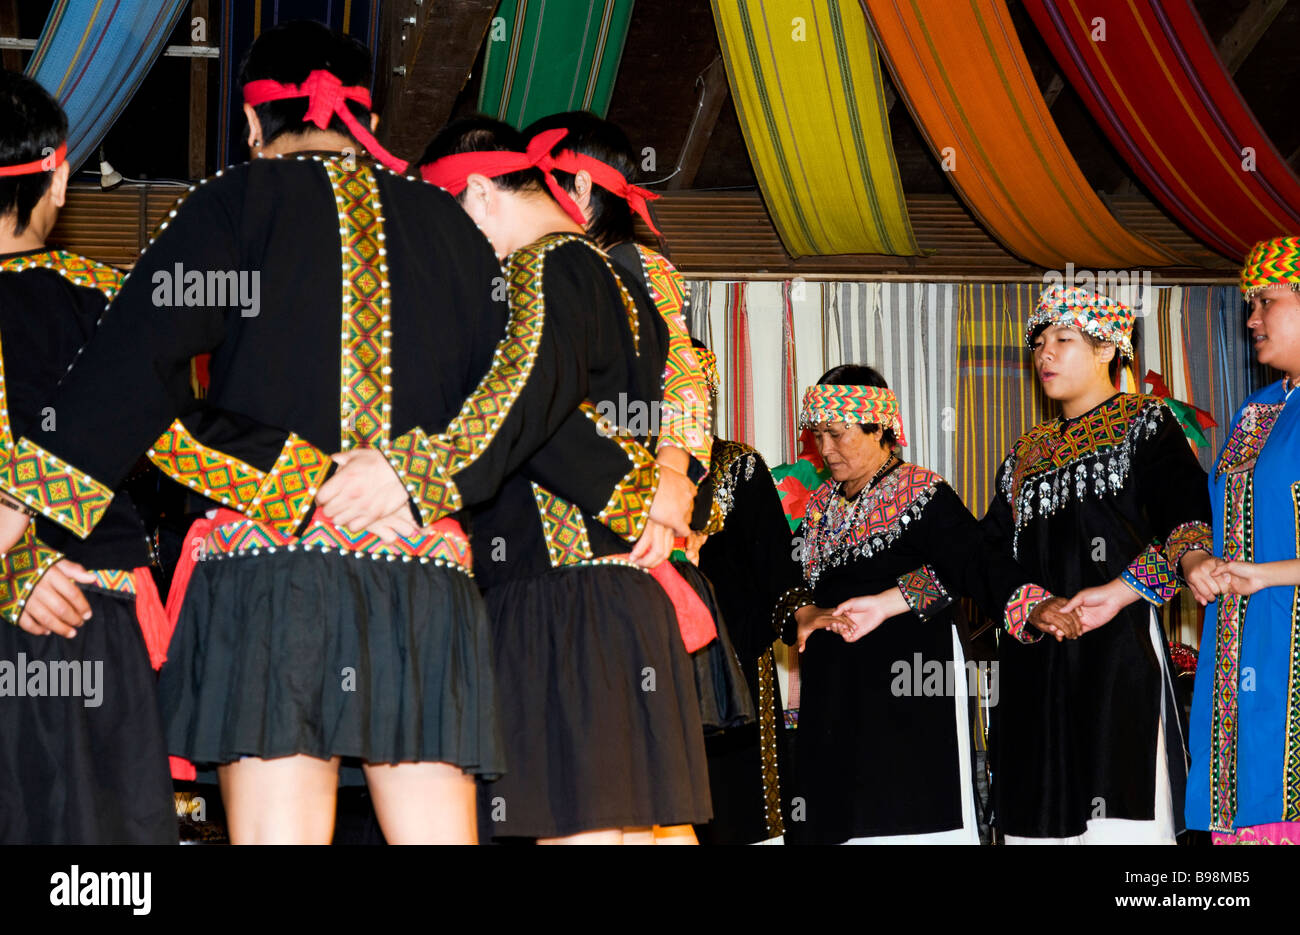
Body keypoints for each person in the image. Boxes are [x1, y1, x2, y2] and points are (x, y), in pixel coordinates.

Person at [0, 22, 624, 844]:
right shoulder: (455, 231)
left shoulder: (233, 202)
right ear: (368, 121)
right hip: (419, 578)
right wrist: (628, 494)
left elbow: (137, 366)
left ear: (251, 124)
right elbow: (522, 398)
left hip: (273, 578)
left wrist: (26, 505)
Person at [418, 117, 709, 844]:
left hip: (561, 594)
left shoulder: (537, 269)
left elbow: (525, 409)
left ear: (479, 193)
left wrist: (407, 475)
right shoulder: (626, 281)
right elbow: (633, 406)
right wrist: (656, 486)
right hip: (624, 594)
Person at [770, 365, 1067, 844]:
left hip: (907, 698)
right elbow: (788, 585)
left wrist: (1027, 604)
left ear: (878, 428)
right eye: (818, 435)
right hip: (833, 702)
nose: (825, 449)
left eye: (838, 434)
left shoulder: (921, 491)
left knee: (907, 821)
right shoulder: (819, 506)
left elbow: (971, 564)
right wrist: (805, 614)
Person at [0, 70, 175, 844]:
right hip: (88, 613)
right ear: (59, 177)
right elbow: (194, 448)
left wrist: (13, 570)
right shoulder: (114, 302)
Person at [980, 286, 1215, 843]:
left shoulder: (1146, 423)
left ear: (1107, 348)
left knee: (1121, 814)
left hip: (1116, 650)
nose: (1044, 353)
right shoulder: (1024, 454)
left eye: (1063, 339)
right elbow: (986, 554)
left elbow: (1187, 523)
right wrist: (1030, 604)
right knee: (1037, 815)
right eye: (1039, 342)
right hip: (1035, 656)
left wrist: (1121, 591)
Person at [1186, 236, 1300, 844]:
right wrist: (1201, 560)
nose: (1252, 319)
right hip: (1241, 642)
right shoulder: (1257, 409)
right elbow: (1220, 518)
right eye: (1249, 305)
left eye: (1267, 302)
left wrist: (1265, 574)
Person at [685, 340, 800, 844]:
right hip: (656, 660)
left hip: (735, 659)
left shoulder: (738, 465)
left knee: (740, 802)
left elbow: (776, 566)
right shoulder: (632, 471)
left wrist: (796, 620)